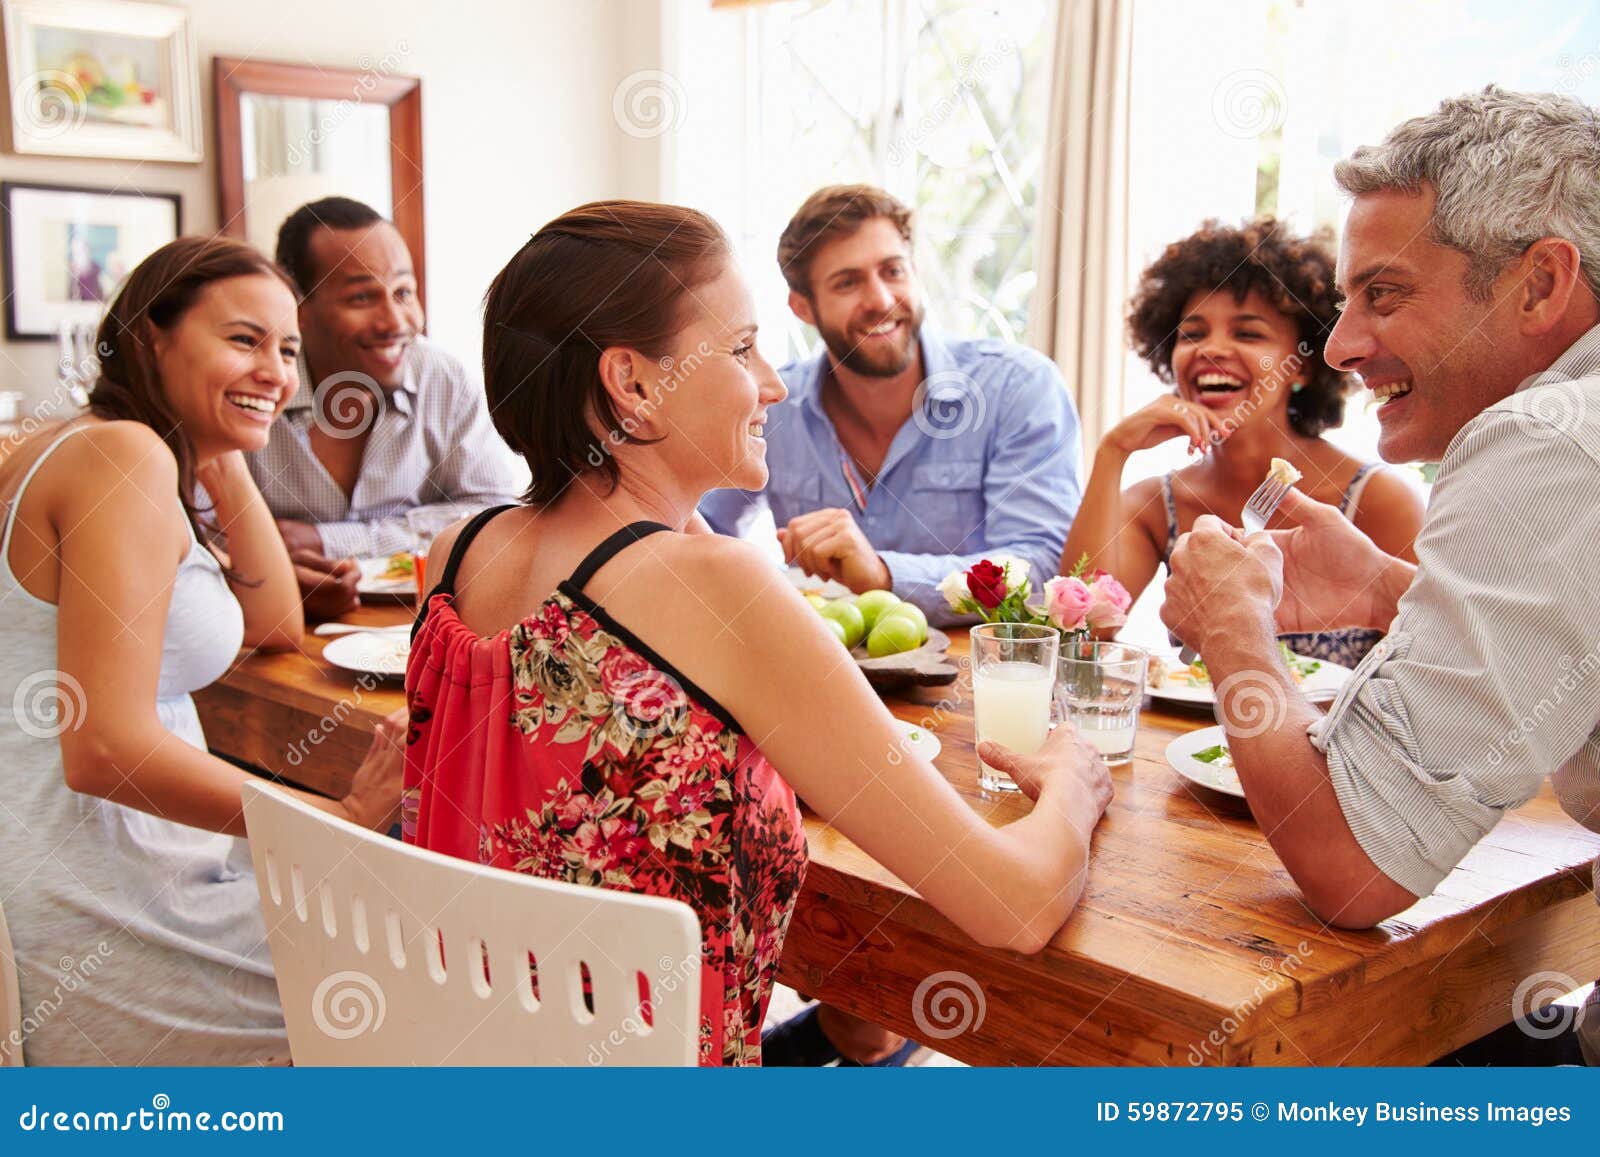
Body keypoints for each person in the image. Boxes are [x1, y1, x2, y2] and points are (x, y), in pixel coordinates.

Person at [402, 201, 1113, 1066]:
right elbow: (1017, 906)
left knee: (865, 1041)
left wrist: (672, 487)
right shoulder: (717, 591)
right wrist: (1074, 781)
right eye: (741, 348)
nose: (774, 382)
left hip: (473, 1079)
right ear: (630, 382)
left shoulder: (456, 555)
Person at [1160, 87, 1600, 1063]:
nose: (1341, 344)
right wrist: (1381, 588)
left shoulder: (1544, 441)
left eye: (1384, 294)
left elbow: (1354, 872)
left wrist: (1234, 631)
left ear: (1539, 285)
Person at [0, 236, 406, 1066]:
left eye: (287, 349)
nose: (278, 372)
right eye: (244, 340)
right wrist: (333, 822)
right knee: (407, 998)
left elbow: (272, 624)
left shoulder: (105, 443)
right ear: (152, 338)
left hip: (119, 862)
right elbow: (105, 748)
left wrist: (220, 450)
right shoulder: (123, 456)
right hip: (102, 894)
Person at [700, 185, 1081, 626]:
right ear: (802, 307)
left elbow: (1038, 567)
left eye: (893, 271)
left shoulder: (1017, 388)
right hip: (816, 668)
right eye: (847, 282)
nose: (881, 300)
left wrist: (885, 574)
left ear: (915, 274)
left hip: (970, 677)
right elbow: (702, 530)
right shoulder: (772, 405)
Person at [1064, 219, 1424, 665]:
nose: (1210, 350)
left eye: (1248, 333)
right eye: (1192, 333)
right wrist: (1113, 452)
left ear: (1304, 365)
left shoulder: (1380, 499)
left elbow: (1434, 665)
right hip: (1191, 737)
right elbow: (1081, 637)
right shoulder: (1157, 504)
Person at [247, 197, 523, 619]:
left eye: (403, 292)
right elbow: (214, 539)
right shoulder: (253, 390)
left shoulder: (442, 379)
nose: (395, 321)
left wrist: (327, 540)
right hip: (277, 628)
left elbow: (494, 514)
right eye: (362, 297)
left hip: (416, 630)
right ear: (297, 306)